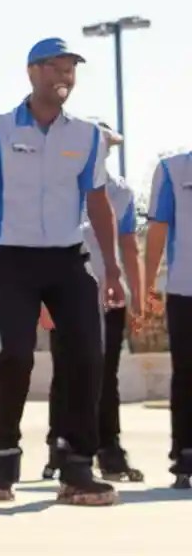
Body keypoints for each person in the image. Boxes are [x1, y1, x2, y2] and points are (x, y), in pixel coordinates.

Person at [0, 37, 128, 506]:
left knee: (89, 355)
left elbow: (98, 203)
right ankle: (5, 455)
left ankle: (77, 463)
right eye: (55, 67)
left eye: (71, 70)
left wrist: (112, 270)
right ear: (32, 71)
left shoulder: (87, 135)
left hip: (68, 259)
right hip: (13, 259)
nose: (64, 77)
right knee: (16, 355)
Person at [41, 120, 144, 483]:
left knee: (106, 375)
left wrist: (138, 293)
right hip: (63, 291)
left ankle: (108, 449)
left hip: (109, 294)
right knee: (66, 372)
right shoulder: (58, 183)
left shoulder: (121, 192)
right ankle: (60, 444)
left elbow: (129, 245)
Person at [140, 145, 192, 487]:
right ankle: (185, 454)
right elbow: (158, 227)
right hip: (184, 289)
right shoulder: (173, 170)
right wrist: (147, 284)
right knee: (186, 373)